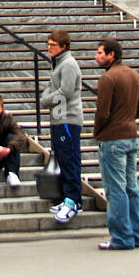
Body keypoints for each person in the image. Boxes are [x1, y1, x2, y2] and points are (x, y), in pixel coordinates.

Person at [93, 37, 139, 251]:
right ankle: (137, 233)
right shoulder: (134, 75)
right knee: (132, 187)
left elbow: (102, 112)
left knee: (115, 189)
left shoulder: (108, 79)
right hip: (131, 135)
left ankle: (122, 237)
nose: (96, 57)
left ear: (111, 55)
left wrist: (97, 131)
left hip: (113, 138)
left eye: (99, 53)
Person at [42, 28, 84, 225]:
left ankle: (73, 199)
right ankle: (70, 197)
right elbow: (53, 89)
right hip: (59, 118)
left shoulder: (67, 64)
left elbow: (64, 92)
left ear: (63, 47)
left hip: (68, 118)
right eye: (48, 45)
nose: (49, 48)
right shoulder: (58, 64)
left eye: (53, 45)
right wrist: (49, 97)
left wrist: (46, 100)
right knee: (65, 158)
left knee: (70, 159)